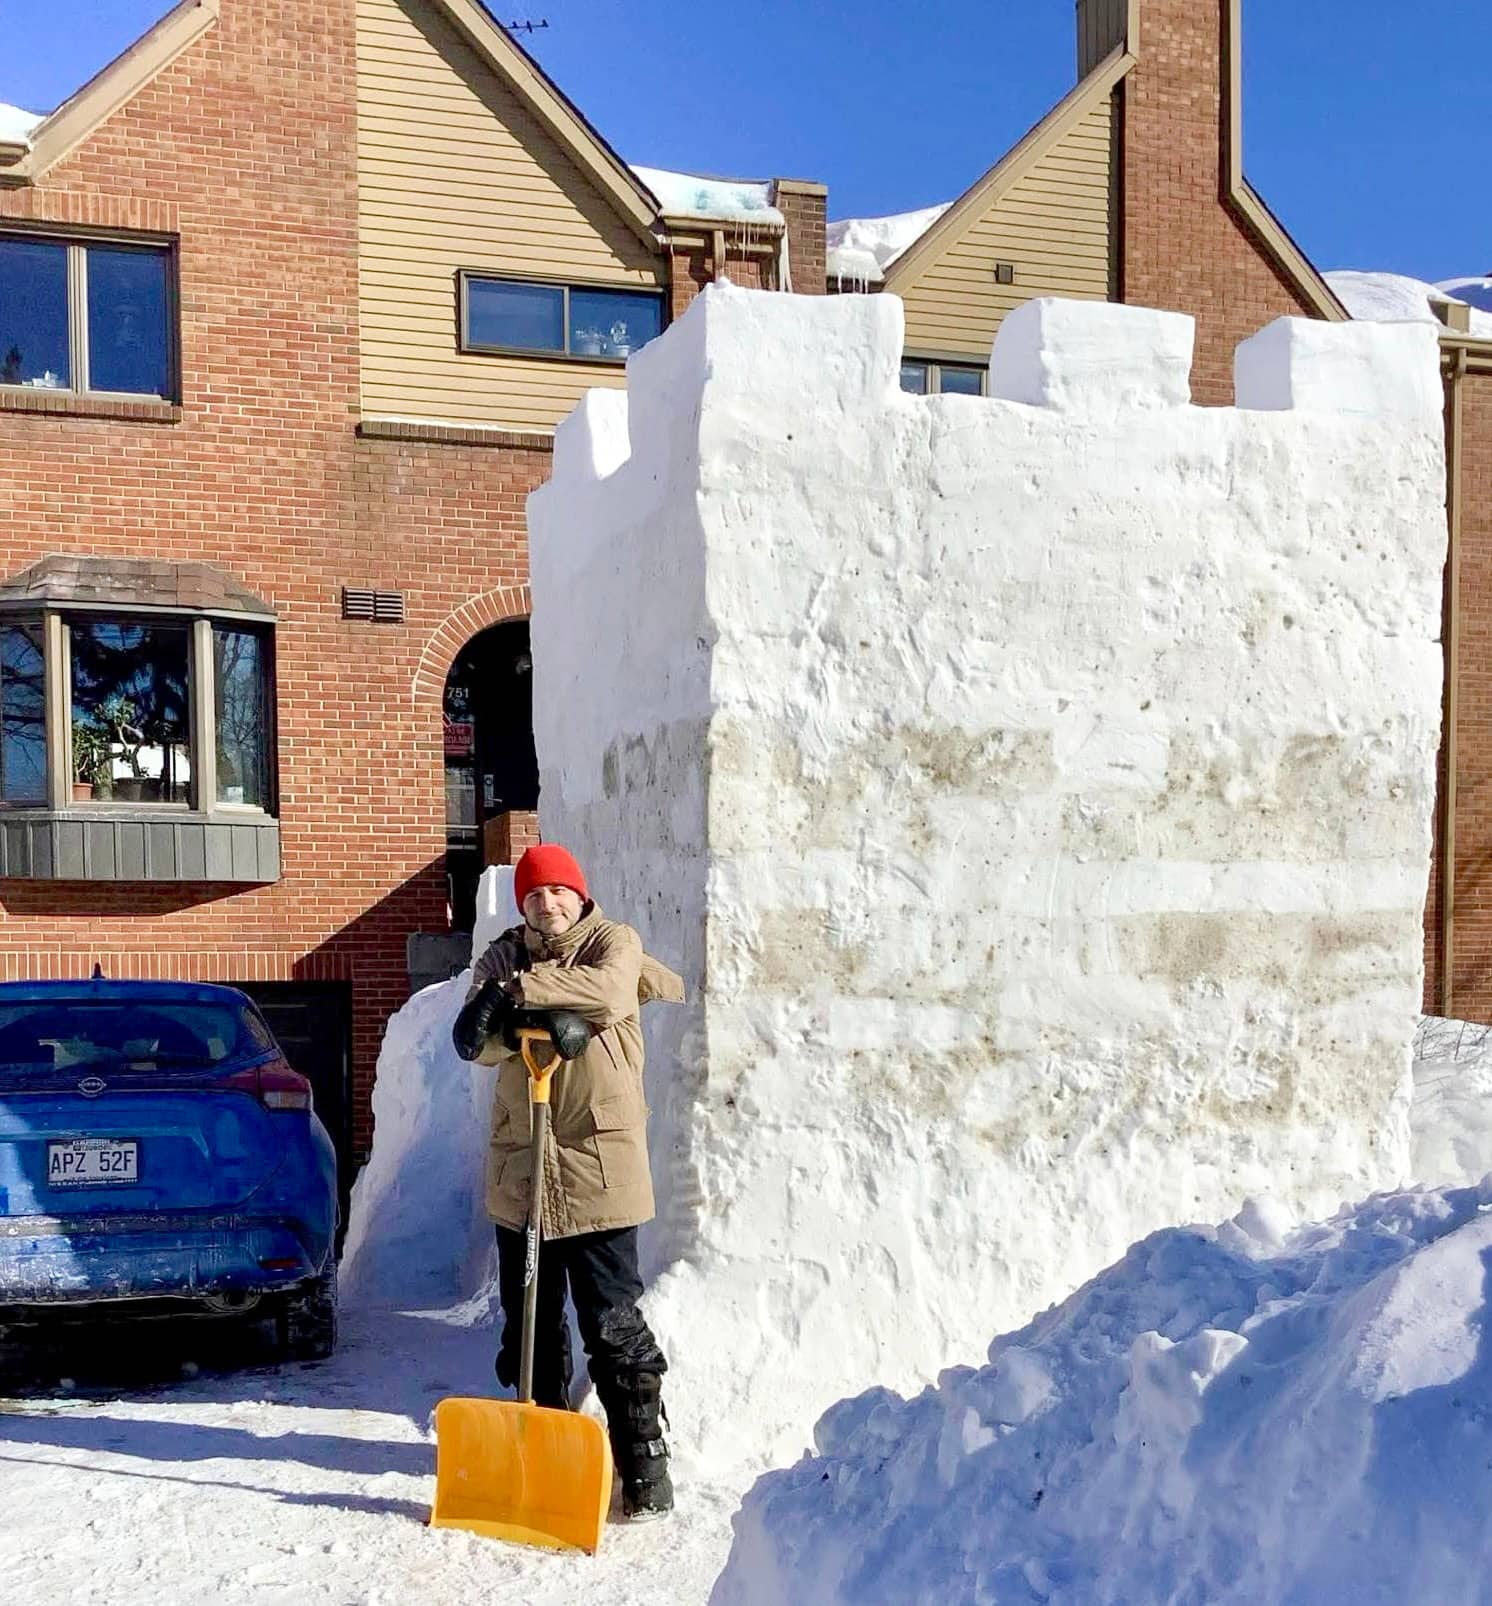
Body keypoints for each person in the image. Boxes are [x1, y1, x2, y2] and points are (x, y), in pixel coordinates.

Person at [452, 842, 684, 1521]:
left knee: (611, 1322)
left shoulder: (614, 940)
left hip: (597, 1170)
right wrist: (504, 1004)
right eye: (532, 896)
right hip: (522, 1170)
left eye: (557, 892)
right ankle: (544, 1452)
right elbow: (482, 1039)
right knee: (528, 1324)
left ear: (579, 895)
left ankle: (644, 1461)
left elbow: (611, 992)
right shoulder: (501, 952)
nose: (546, 905)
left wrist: (518, 995)